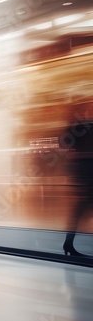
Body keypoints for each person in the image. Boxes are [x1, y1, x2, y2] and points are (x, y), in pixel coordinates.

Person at [61, 100, 93, 258]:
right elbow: (63, 143)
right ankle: (68, 243)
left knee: (82, 208)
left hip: (83, 168)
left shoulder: (79, 125)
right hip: (86, 168)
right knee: (82, 207)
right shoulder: (80, 125)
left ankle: (68, 243)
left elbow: (63, 143)